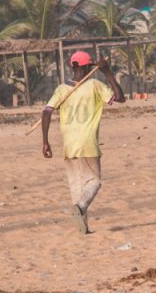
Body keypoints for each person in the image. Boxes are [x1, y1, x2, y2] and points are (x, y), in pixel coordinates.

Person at [41, 51, 125, 233]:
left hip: (69, 144)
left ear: (73, 67)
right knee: (94, 182)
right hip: (87, 143)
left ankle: (83, 228)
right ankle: (80, 207)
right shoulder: (95, 85)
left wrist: (45, 142)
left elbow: (46, 112)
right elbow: (120, 97)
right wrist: (108, 73)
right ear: (88, 67)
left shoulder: (62, 89)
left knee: (77, 187)